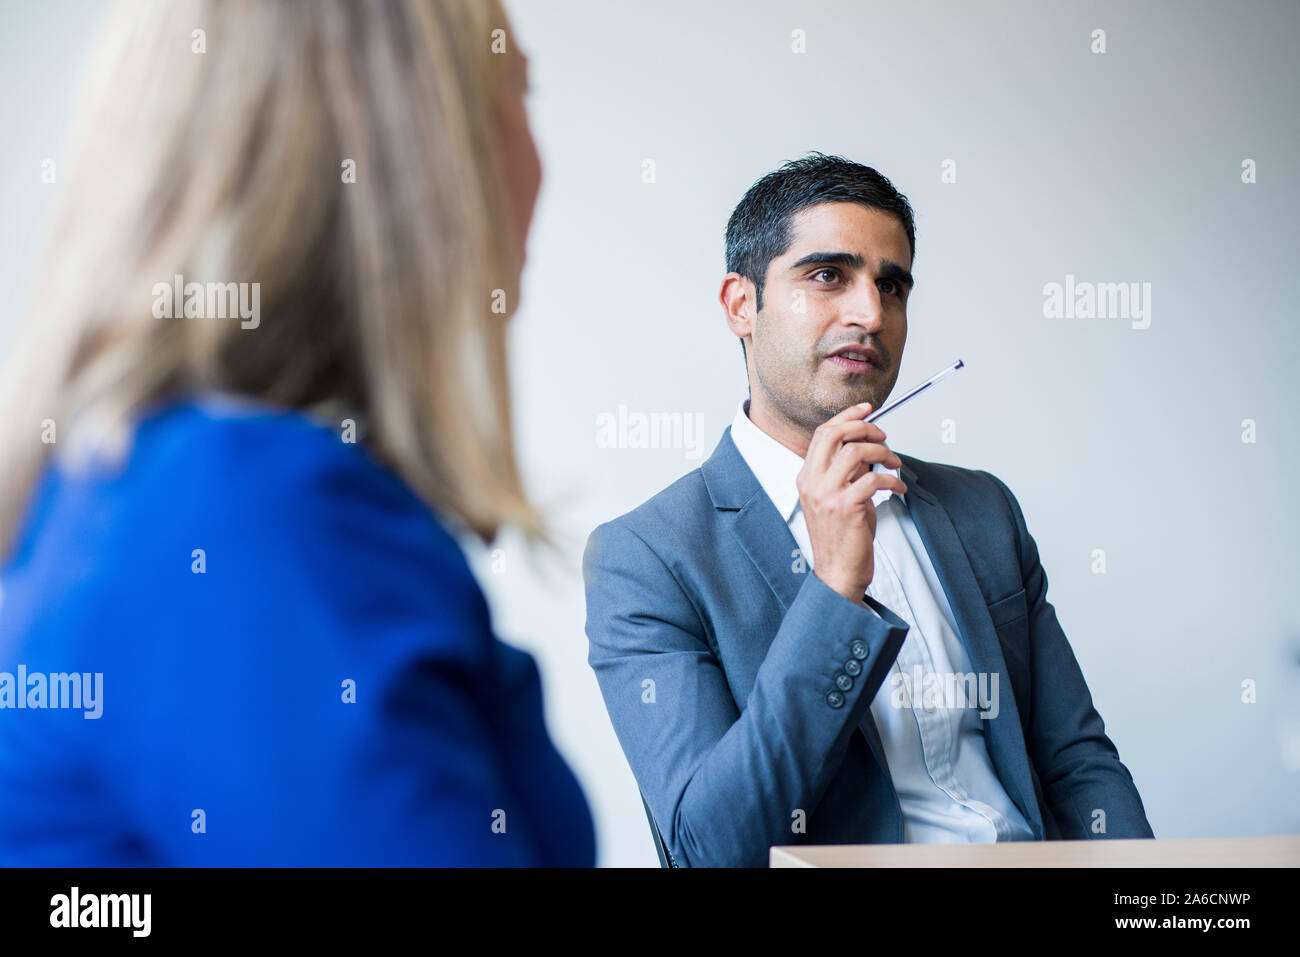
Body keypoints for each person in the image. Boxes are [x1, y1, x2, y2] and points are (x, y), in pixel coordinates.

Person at [0, 0, 595, 866]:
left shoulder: (149, 482)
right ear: (419, 143)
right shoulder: (243, 513)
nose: (540, 165)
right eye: (515, 93)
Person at [583, 153, 1153, 867]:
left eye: (892, 285)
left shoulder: (982, 509)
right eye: (828, 275)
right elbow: (712, 849)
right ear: (740, 304)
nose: (870, 314)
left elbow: (1078, 764)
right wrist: (832, 592)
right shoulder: (646, 557)